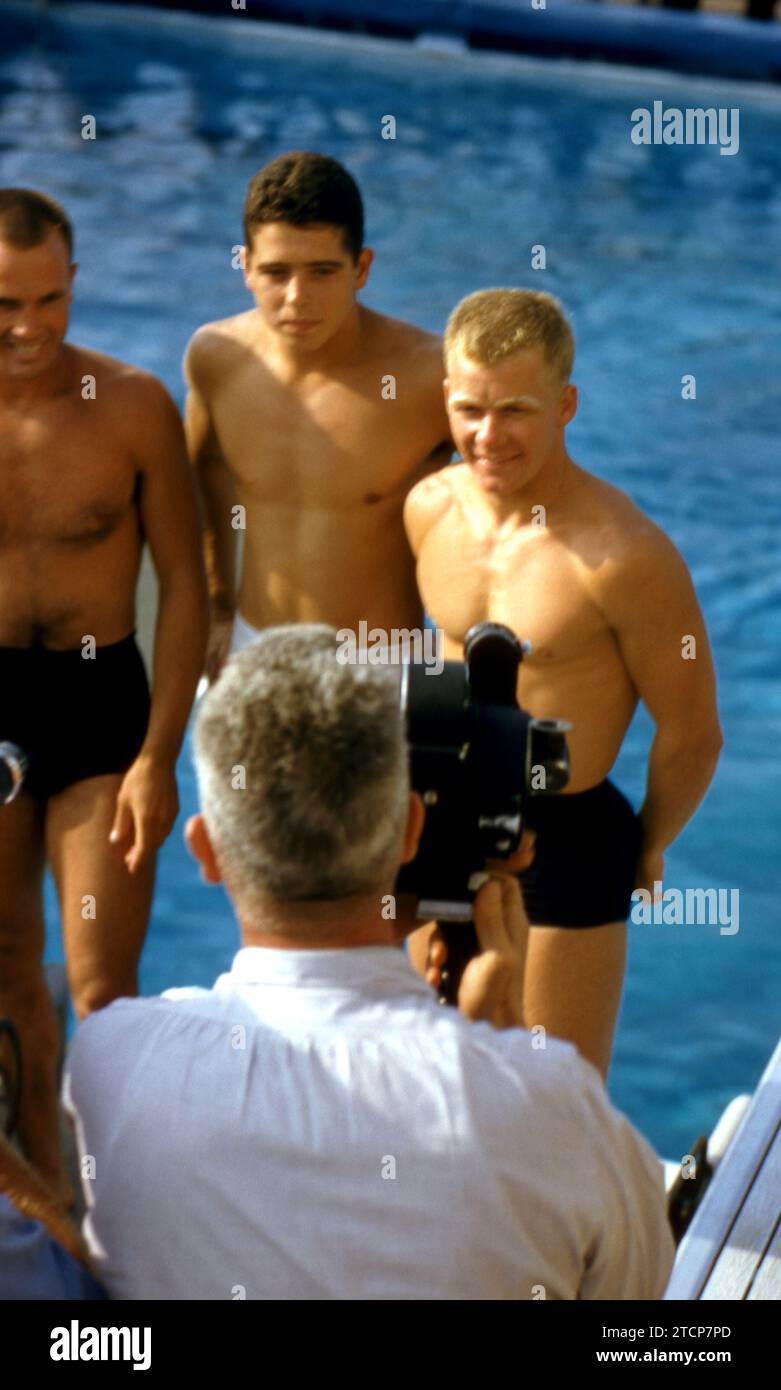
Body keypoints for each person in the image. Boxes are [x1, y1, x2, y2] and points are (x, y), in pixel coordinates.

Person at [63, 626, 674, 1301]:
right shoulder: (553, 1110)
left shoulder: (110, 1062)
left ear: (206, 851)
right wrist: (504, 1047)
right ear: (411, 827)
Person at [404, 289, 723, 1080]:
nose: (488, 436)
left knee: (548, 1100)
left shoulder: (624, 556)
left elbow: (691, 730)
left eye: (515, 409)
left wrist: (647, 847)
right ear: (446, 397)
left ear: (565, 404)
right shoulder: (427, 507)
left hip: (565, 838)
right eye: (470, 408)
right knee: (419, 1085)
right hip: (435, 818)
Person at [0, 189, 208, 1200]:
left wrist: (159, 754)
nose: (30, 326)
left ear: (74, 282)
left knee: (103, 990)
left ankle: (125, 1203)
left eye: (48, 299)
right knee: (6, 980)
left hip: (98, 705)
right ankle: (55, 1208)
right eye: (4, 304)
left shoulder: (130, 408)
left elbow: (185, 589)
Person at [184, 151, 452, 678]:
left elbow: (512, 501)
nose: (296, 298)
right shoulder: (216, 357)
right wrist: (217, 605)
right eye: (276, 272)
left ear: (363, 268)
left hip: (378, 664)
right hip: (253, 650)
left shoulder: (429, 376)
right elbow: (204, 471)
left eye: (322, 272)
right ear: (245, 267)